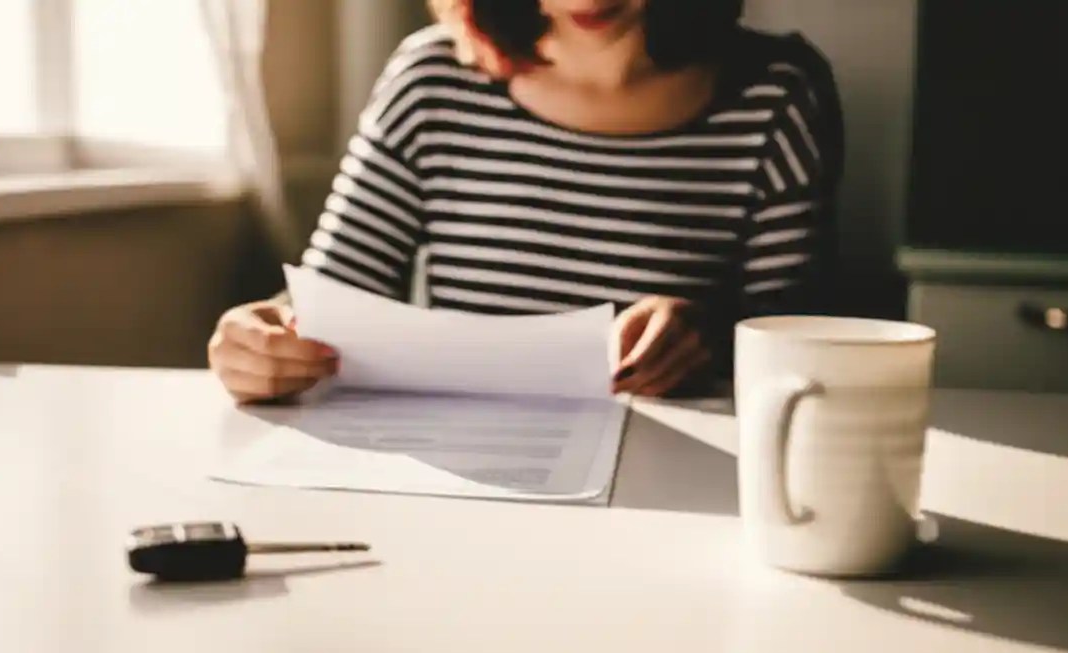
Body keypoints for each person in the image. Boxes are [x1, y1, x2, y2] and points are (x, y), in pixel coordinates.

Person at [209, 0, 843, 404]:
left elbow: (808, 347)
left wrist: (704, 333)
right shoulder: (433, 82)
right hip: (469, 479)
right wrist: (260, 337)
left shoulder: (776, 95)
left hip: (680, 491)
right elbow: (332, 300)